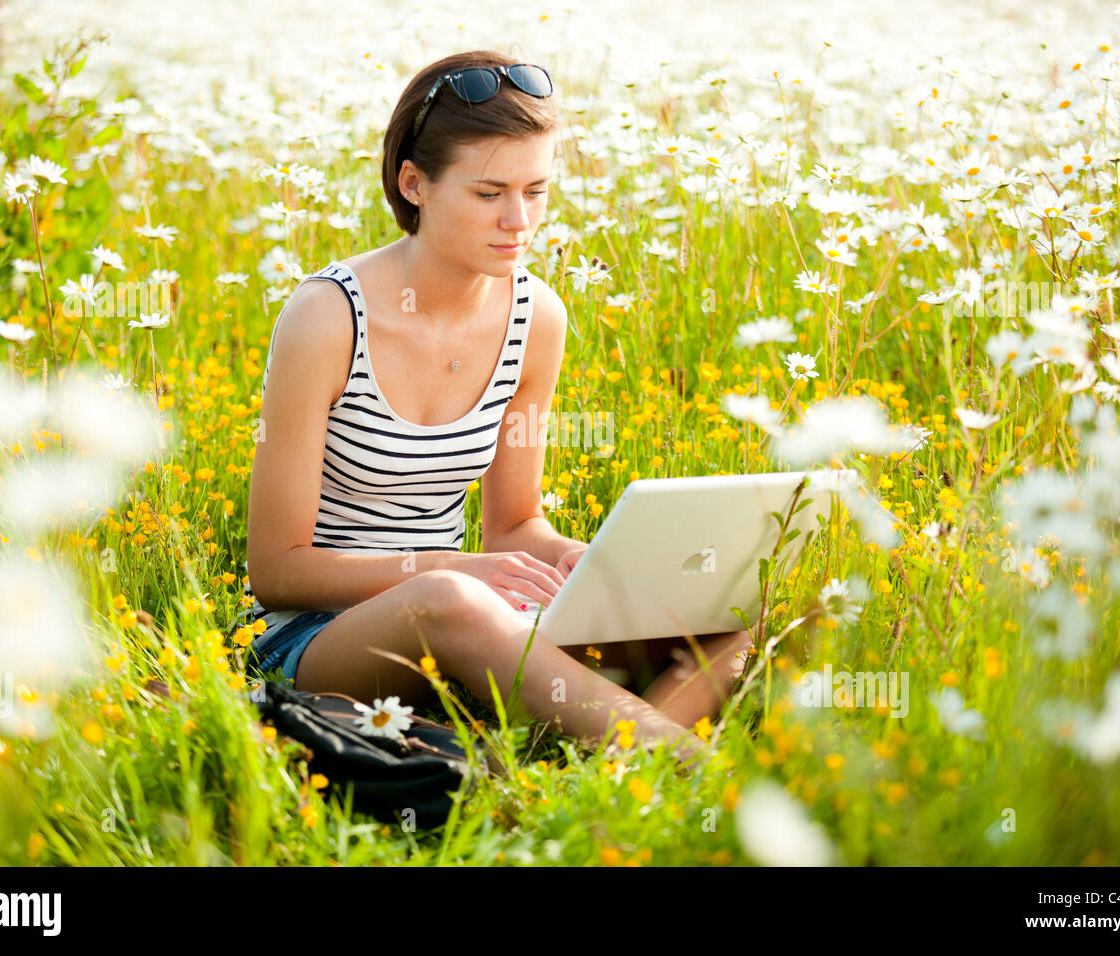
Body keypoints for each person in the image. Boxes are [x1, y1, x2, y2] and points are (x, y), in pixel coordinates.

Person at [242, 51, 751, 768]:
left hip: (475, 615)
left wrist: (593, 563)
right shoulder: (326, 318)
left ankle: (592, 768)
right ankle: (679, 758)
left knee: (725, 624)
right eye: (489, 194)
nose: (520, 221)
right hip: (320, 635)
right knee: (450, 599)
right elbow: (278, 569)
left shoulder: (536, 317)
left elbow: (513, 524)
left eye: (536, 191)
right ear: (413, 184)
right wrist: (448, 569)